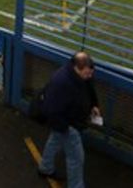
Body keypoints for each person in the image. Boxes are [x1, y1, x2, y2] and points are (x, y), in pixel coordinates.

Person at [38, 52, 100, 188]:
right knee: (76, 158)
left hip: (67, 121)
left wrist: (94, 104)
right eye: (87, 74)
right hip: (67, 124)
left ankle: (45, 168)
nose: (89, 77)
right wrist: (66, 128)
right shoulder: (61, 83)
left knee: (55, 140)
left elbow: (89, 87)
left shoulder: (78, 74)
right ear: (78, 68)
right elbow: (51, 109)